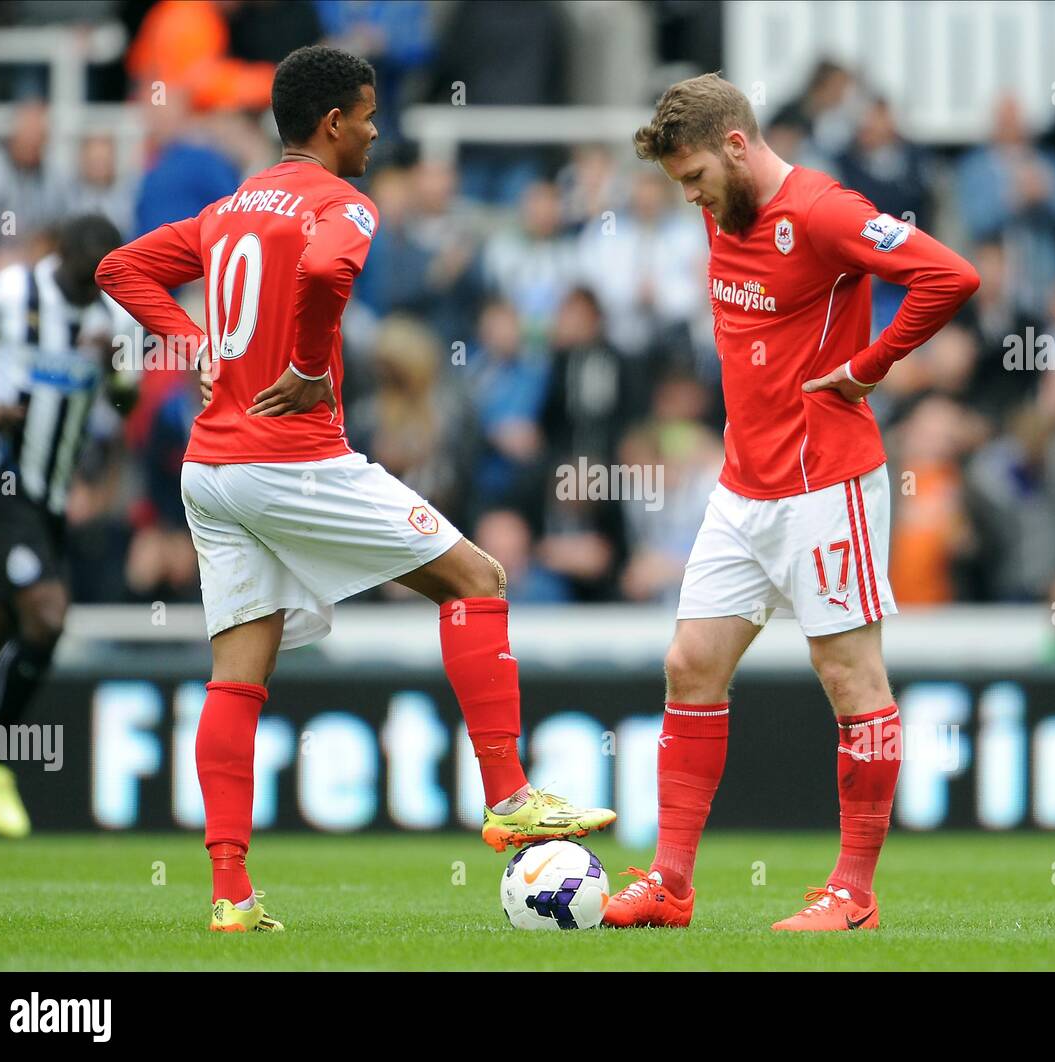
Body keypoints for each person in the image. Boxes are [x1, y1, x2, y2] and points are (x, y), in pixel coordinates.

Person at [95, 46, 613, 934]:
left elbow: (119, 269)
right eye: (369, 116)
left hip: (211, 470)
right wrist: (302, 365)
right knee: (478, 579)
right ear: (333, 123)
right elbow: (331, 272)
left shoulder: (229, 208)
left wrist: (195, 345)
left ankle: (230, 897)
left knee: (235, 681)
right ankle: (510, 797)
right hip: (292, 458)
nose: (378, 131)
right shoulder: (344, 203)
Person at [603, 74, 978, 932]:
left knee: (848, 676)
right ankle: (670, 883)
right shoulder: (725, 206)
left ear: (737, 146)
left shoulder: (823, 212)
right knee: (690, 664)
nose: (690, 196)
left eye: (694, 176)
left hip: (826, 481)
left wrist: (870, 365)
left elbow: (950, 275)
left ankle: (853, 894)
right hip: (742, 485)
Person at [0, 214, 136, 837]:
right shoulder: (5, 293)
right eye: (87, 283)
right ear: (58, 257)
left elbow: (127, 401)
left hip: (50, 494)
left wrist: (116, 370)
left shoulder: (112, 318)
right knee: (49, 613)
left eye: (102, 286)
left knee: (0, 626)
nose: (95, 296)